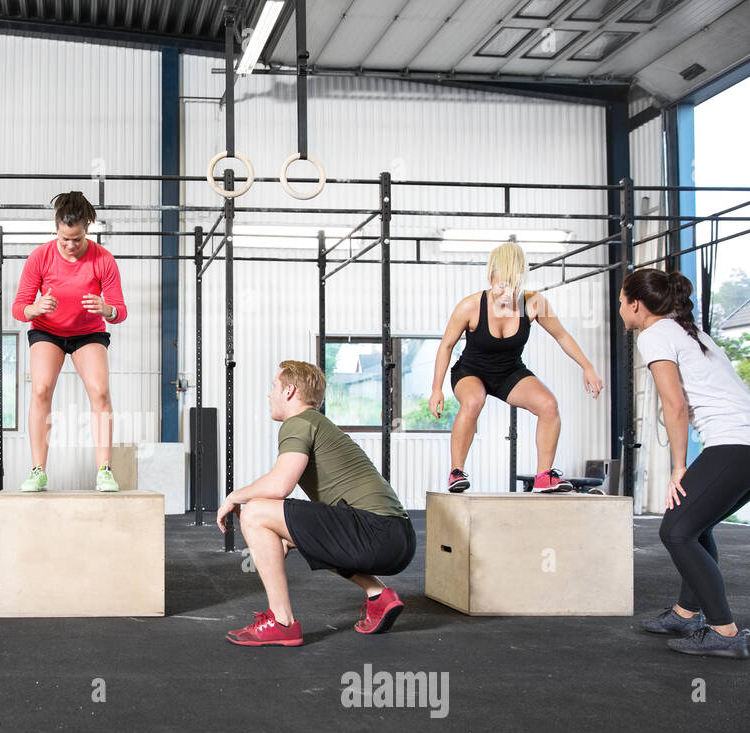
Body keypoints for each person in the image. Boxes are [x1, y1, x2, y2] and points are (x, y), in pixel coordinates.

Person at [216, 361, 416, 646]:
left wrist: (234, 496)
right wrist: (290, 536)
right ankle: (379, 595)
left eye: (274, 387)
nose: (269, 394)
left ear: (290, 391)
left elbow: (279, 485)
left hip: (376, 532)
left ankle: (281, 621)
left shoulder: (298, 423)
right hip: (397, 538)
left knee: (255, 511)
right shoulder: (317, 424)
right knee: (295, 528)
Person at [623, 268, 750, 659]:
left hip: (735, 444)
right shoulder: (689, 332)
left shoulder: (655, 334)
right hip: (741, 445)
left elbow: (674, 404)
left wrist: (680, 466)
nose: (621, 309)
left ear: (636, 305)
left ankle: (725, 633)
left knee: (676, 532)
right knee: (693, 524)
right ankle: (685, 613)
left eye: (622, 302)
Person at [429, 242, 603, 493]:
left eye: (514, 285)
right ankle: (456, 472)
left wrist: (588, 367)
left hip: (510, 371)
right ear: (490, 279)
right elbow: (446, 346)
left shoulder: (534, 303)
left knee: (548, 405)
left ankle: (544, 477)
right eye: (501, 285)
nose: (507, 292)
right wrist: (436, 389)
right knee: (474, 401)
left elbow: (562, 336)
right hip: (471, 371)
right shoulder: (470, 306)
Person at [11, 191, 127, 492]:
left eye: (76, 239)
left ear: (86, 228)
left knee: (100, 392)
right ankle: (38, 470)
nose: (71, 246)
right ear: (56, 229)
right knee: (40, 389)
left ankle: (104, 470)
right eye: (64, 239)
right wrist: (34, 309)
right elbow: (19, 306)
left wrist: (107, 309)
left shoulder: (103, 259)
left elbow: (120, 311)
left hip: (88, 332)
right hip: (47, 330)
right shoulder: (40, 257)